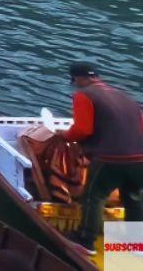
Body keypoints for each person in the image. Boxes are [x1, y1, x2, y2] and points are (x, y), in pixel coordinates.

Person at [59, 62, 143, 249]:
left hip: (111, 159)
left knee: (94, 196)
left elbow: (83, 129)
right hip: (140, 158)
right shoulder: (125, 96)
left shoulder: (84, 95)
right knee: (134, 197)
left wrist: (64, 136)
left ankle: (85, 240)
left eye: (73, 80)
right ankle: (136, 245)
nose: (74, 84)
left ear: (79, 78)